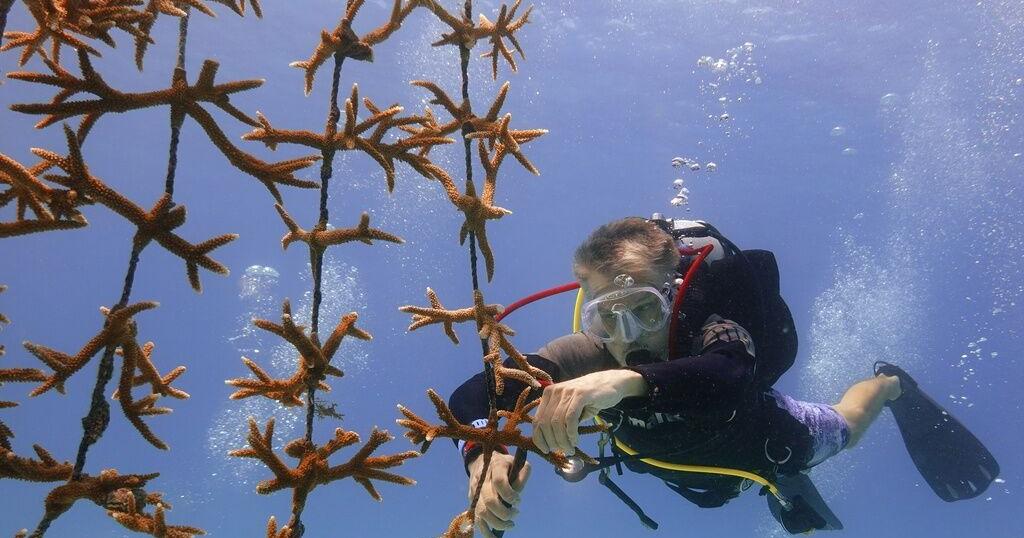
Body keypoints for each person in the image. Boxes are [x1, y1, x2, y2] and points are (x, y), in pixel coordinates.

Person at [448, 216, 999, 537]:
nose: (627, 333)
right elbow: (482, 389)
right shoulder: (589, 351)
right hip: (682, 472)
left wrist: (622, 382)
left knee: (849, 426)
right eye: (605, 314)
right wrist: (482, 447)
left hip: (769, 443)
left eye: (643, 309)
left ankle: (890, 382)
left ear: (676, 295)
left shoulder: (716, 329)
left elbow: (730, 375)